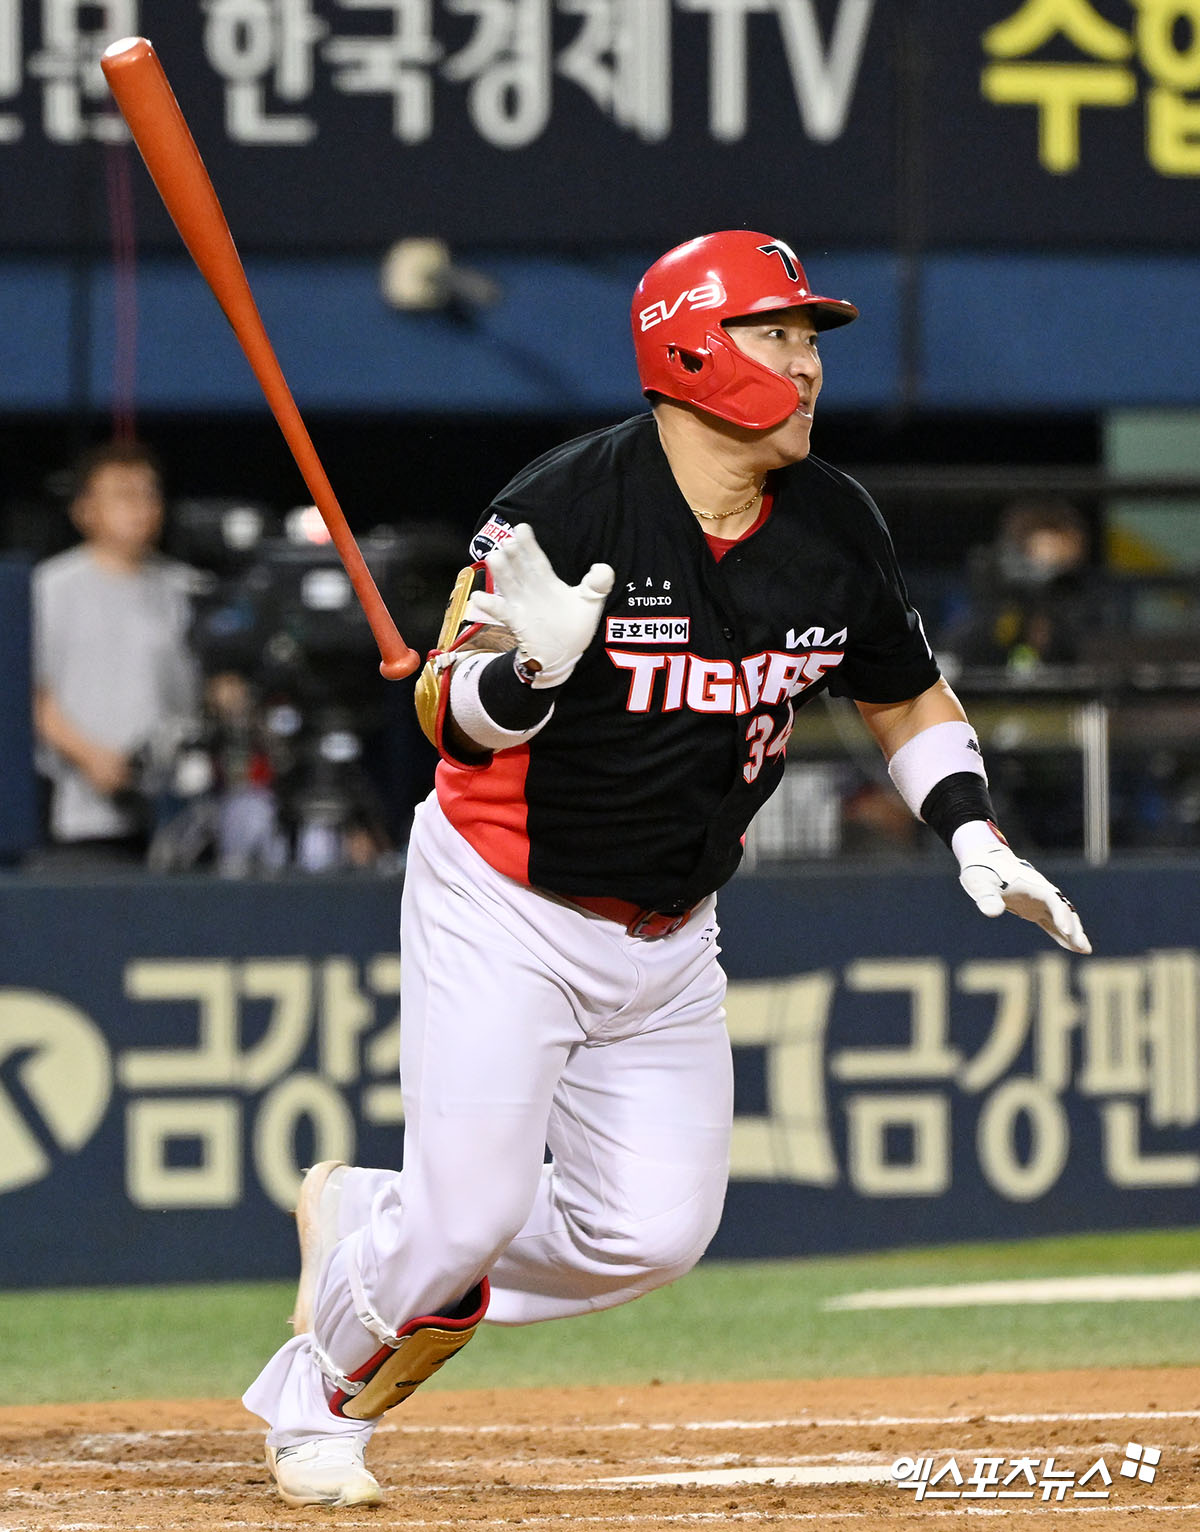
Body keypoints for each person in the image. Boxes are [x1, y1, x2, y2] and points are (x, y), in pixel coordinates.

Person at [243, 231, 1091, 1507]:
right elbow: (441, 713)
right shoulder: (566, 504)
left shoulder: (833, 523)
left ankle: (384, 1221)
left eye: (810, 340)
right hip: (507, 897)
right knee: (467, 1216)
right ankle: (316, 1391)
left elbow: (906, 696)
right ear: (691, 345)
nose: (807, 367)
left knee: (649, 1231)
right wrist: (529, 671)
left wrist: (973, 829)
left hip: (674, 927)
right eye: (778, 334)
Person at [32, 440, 200, 864]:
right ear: (84, 510)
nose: (141, 507)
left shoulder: (188, 588)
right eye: (124, 494)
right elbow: (29, 692)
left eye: (149, 493)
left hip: (181, 813)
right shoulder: (49, 588)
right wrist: (91, 757)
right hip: (82, 811)